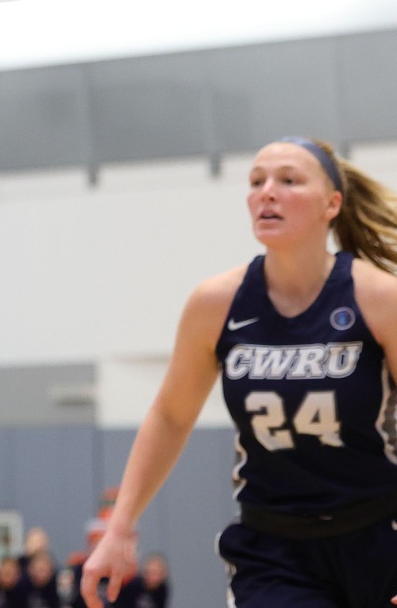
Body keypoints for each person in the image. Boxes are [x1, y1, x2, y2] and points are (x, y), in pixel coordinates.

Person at [83, 138, 397, 608]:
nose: (267, 192)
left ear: (332, 203)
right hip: (275, 548)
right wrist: (119, 526)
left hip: (378, 536)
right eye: (256, 182)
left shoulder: (377, 298)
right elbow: (170, 416)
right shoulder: (216, 304)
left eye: (288, 180)